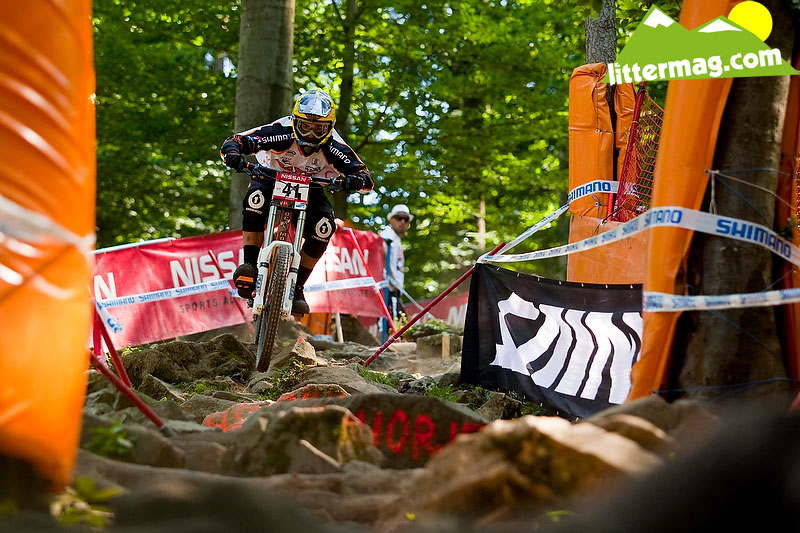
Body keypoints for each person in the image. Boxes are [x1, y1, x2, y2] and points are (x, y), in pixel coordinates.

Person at [220, 88, 373, 315]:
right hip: (270, 177)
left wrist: (353, 181)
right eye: (305, 126)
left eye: (318, 128)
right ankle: (249, 264)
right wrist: (234, 154)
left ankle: (298, 287)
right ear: (294, 122)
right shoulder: (281, 132)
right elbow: (236, 141)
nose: (311, 134)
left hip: (312, 189)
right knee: (256, 198)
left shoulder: (334, 146)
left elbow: (366, 180)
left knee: (324, 227)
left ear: (329, 128)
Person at [379, 204, 413, 321]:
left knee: (396, 324)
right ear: (391, 219)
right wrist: (391, 279)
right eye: (399, 218)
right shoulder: (388, 235)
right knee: (394, 327)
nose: (403, 221)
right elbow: (380, 253)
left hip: (393, 290)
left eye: (406, 219)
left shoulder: (396, 239)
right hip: (388, 288)